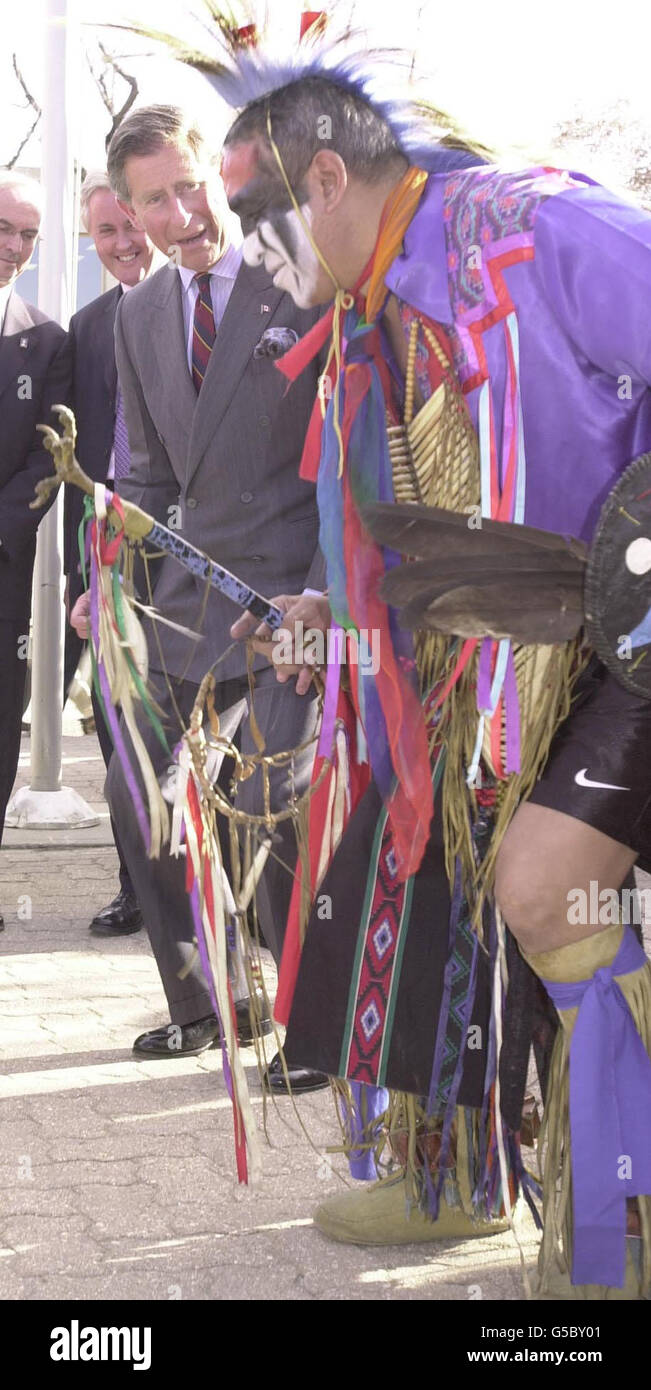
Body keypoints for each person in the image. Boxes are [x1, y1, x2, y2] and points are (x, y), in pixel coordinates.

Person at [169, 26, 651, 1296]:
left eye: (254, 211)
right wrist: (325, 609)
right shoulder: (370, 315)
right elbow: (406, 522)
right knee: (527, 907)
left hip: (626, 641)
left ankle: (618, 1214)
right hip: (504, 668)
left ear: (325, 179)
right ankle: (597, 1218)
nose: (253, 247)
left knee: (548, 893)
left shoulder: (534, 228)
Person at [102, 105, 328, 1091]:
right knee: (135, 792)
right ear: (129, 210)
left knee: (267, 791)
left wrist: (322, 594)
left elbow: (346, 460)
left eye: (191, 185)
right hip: (191, 600)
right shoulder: (138, 314)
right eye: (155, 199)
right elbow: (149, 479)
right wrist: (110, 586)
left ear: (221, 174)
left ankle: (312, 1020)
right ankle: (205, 1005)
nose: (182, 211)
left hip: (294, 598)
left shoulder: (305, 275)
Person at [64, 170, 158, 939]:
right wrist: (80, 574)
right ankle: (141, 889)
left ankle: (230, 899)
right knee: (120, 733)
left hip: (188, 548)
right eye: (106, 231)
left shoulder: (205, 310)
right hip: (108, 555)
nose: (124, 242)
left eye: (132, 223)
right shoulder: (87, 326)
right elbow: (80, 463)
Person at [0, 172, 68, 932]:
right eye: (3, 229)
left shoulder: (47, 343)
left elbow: (51, 455)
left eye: (28, 235)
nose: (14, 249)